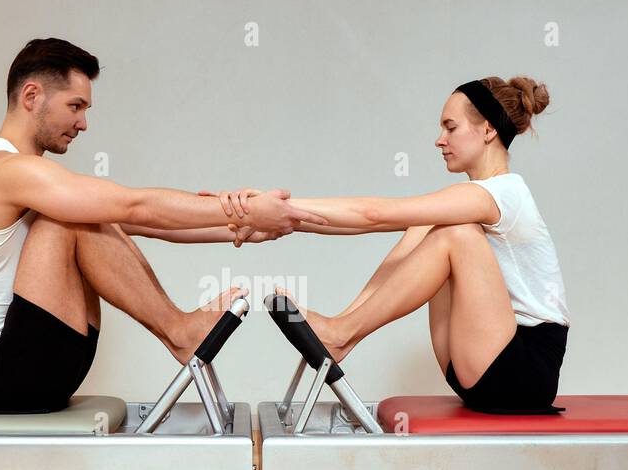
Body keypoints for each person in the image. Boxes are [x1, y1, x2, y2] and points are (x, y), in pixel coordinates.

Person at [0, 37, 325, 411]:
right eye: (75, 106)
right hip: (7, 375)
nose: (83, 123)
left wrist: (244, 229)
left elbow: (153, 224)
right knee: (75, 216)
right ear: (31, 96)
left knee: (89, 212)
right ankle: (178, 332)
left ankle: (179, 331)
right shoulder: (1, 171)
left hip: (51, 357)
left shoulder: (35, 181)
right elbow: (133, 205)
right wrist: (242, 213)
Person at [216, 76, 571, 413]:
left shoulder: (505, 193)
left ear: (489, 129)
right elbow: (371, 218)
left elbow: (375, 214)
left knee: (456, 234)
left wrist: (280, 209)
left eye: (450, 127)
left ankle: (341, 334)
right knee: (428, 222)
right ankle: (342, 329)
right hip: (481, 361)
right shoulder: (476, 197)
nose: (439, 140)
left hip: (524, 372)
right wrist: (278, 220)